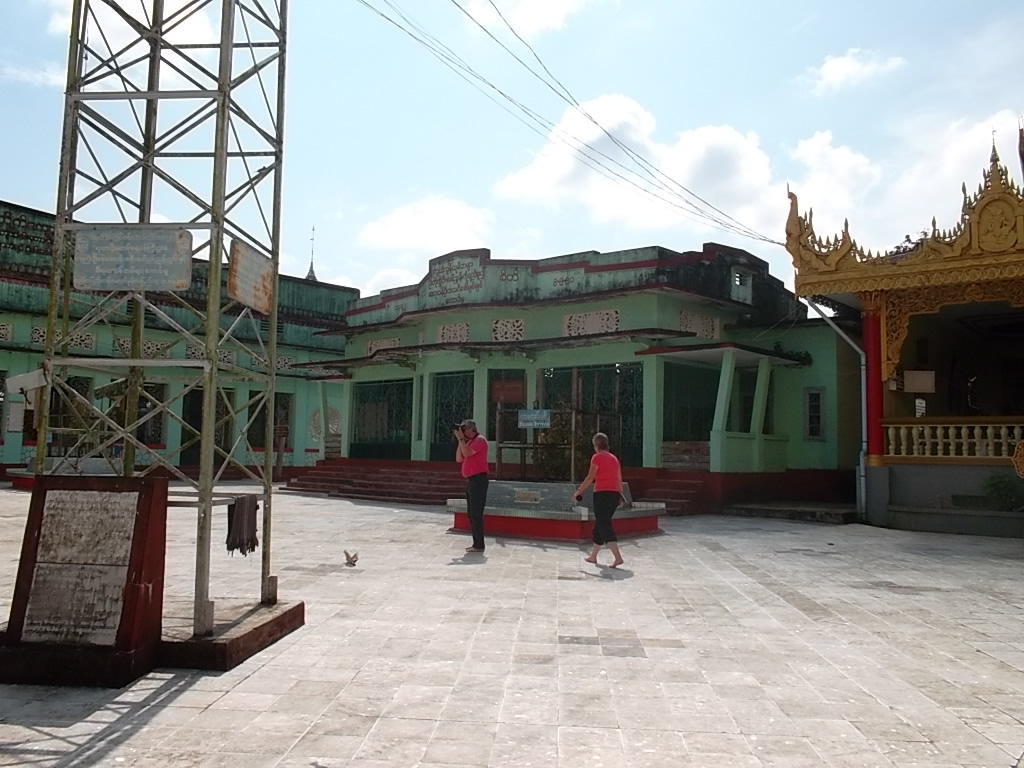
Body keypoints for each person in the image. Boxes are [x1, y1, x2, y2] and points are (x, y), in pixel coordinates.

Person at [573, 432, 625, 568]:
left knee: (604, 525)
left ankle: (618, 557)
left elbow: (591, 477)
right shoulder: (614, 458)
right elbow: (619, 478)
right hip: (614, 494)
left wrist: (579, 491)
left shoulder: (596, 458)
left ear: (596, 445)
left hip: (602, 494)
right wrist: (620, 495)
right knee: (600, 524)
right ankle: (593, 556)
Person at [454, 419, 489, 553]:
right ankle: (476, 543)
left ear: (471, 429)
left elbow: (468, 453)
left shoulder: (480, 440)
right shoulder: (468, 442)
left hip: (479, 480)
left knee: (476, 514)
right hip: (470, 481)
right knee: (471, 513)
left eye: (465, 429)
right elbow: (459, 458)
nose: (463, 432)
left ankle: (479, 544)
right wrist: (460, 441)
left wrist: (462, 440)